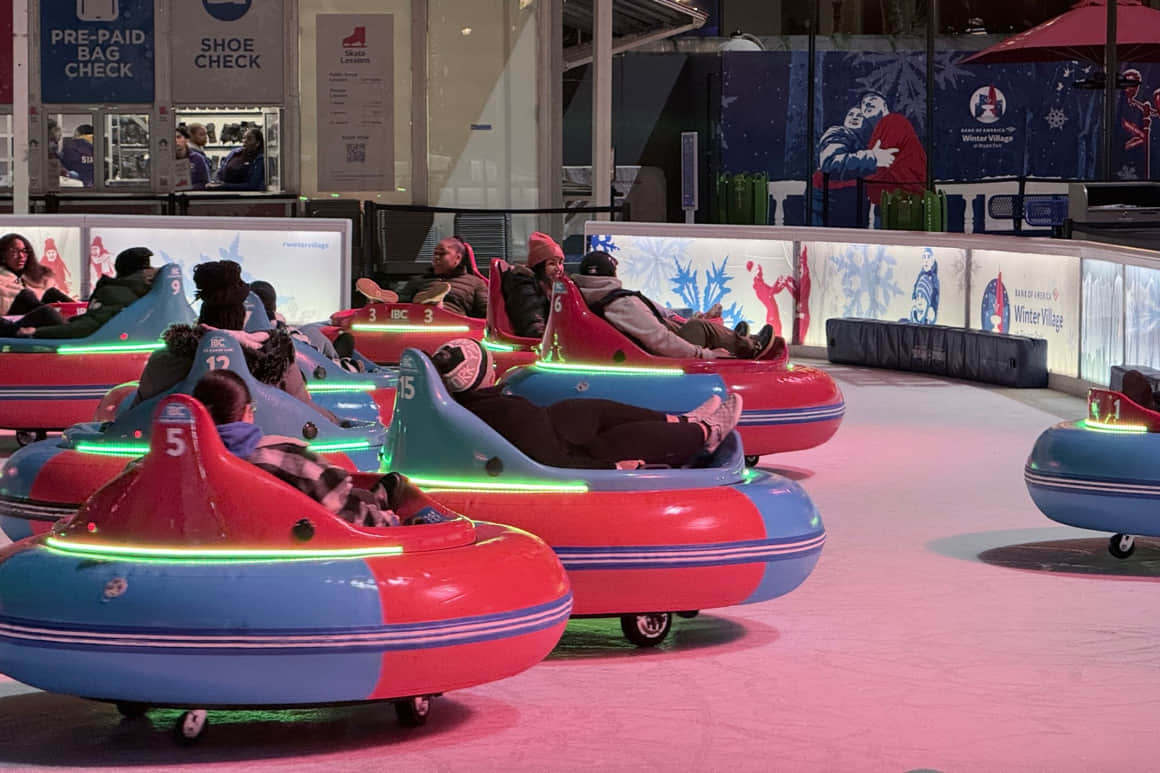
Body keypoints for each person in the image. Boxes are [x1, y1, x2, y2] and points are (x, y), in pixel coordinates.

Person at [433, 339, 744, 469]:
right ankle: (705, 433)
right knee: (613, 442)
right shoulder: (501, 413)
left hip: (551, 430)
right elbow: (550, 461)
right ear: (482, 374)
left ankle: (682, 421)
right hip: (566, 456)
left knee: (586, 409)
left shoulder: (476, 404)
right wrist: (608, 468)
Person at [191, 370, 400, 528]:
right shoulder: (282, 456)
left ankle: (374, 497)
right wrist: (388, 521)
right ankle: (378, 500)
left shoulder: (184, 464)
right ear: (248, 412)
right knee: (358, 497)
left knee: (360, 494)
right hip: (298, 538)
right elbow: (345, 512)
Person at [133, 260, 313, 411]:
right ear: (243, 316)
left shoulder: (166, 360)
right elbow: (306, 413)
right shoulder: (277, 360)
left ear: (202, 314)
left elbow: (137, 414)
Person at [571, 251, 779, 360]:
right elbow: (659, 339)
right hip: (659, 355)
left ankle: (730, 335)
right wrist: (705, 354)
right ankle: (750, 347)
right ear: (612, 274)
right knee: (698, 328)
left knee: (694, 324)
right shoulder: (619, 304)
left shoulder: (598, 297)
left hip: (661, 338)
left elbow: (661, 316)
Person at [21, 247, 156, 339]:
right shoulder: (148, 287)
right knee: (49, 296)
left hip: (85, 337)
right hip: (103, 332)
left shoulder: (116, 291)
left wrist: (37, 332)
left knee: (44, 310)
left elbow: (89, 326)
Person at [809, 105, 897, 226]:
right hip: (828, 205)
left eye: (859, 115)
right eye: (850, 114)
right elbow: (831, 163)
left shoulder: (865, 142)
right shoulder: (838, 133)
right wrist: (872, 158)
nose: (854, 117)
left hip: (849, 205)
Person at [859, 91, 927, 212]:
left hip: (902, 202)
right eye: (863, 103)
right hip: (895, 200)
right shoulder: (880, 128)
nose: (867, 104)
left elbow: (882, 163)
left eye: (872, 99)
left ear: (884, 105)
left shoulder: (893, 120)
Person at [394, 236, 488, 318]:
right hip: (420, 322)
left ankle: (436, 304)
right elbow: (399, 305)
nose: (436, 258)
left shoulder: (475, 283)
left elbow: (487, 312)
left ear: (457, 258)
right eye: (435, 253)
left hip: (455, 325)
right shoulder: (419, 280)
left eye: (442, 254)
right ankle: (428, 303)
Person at [500, 232, 566, 338]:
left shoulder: (555, 284)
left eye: (561, 263)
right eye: (552, 263)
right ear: (539, 266)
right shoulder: (524, 285)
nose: (559, 268)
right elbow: (533, 324)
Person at [0, 233, 74, 319]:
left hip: (33, 318)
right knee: (27, 296)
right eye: (14, 251)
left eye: (24, 251)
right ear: (3, 254)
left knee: (52, 293)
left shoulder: (36, 277)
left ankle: (82, 313)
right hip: (9, 323)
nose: (21, 256)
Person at [176, 126, 210, 190]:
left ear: (186, 139)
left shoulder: (198, 158)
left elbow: (205, 182)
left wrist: (190, 188)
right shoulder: (164, 159)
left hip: (193, 196)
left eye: (178, 137)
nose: (175, 141)